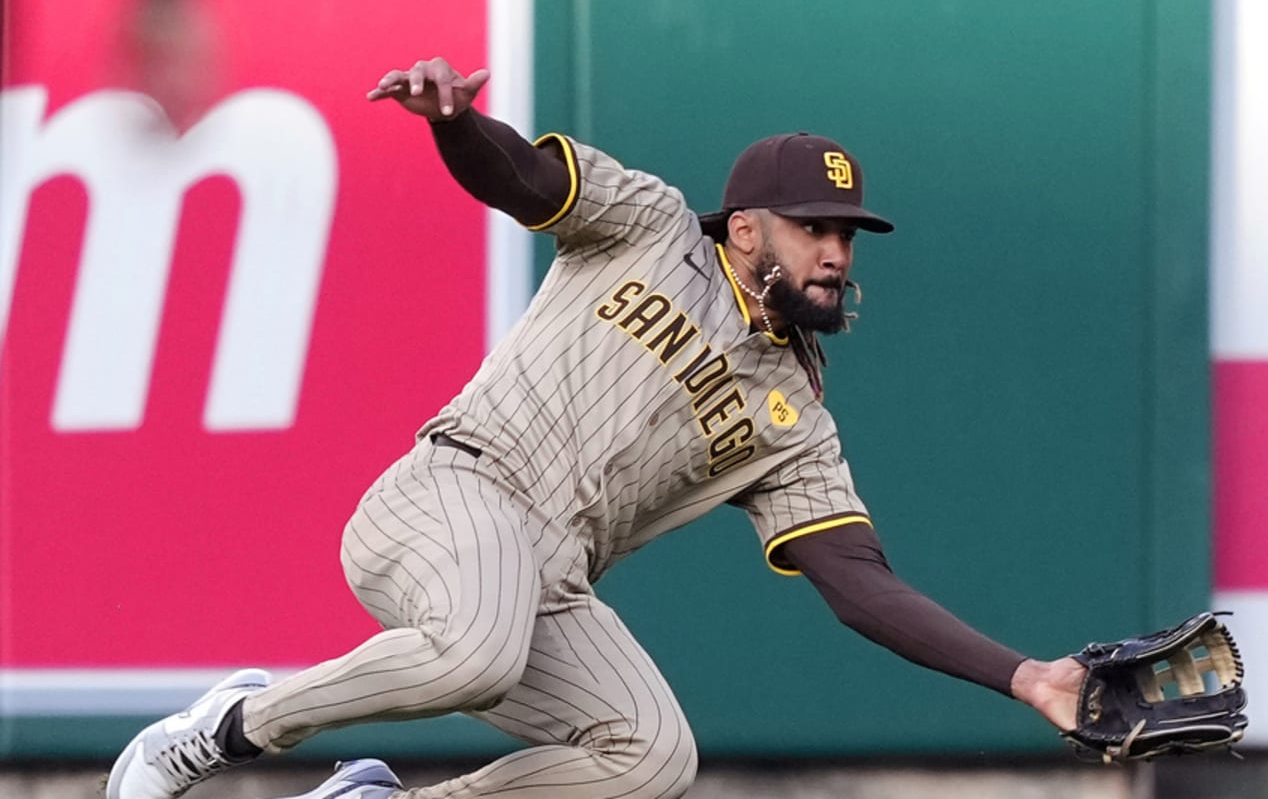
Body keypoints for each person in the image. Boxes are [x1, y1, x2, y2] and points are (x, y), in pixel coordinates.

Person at [106, 57, 1087, 799]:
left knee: (653, 756)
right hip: (449, 492)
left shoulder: (794, 418)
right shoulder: (657, 227)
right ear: (746, 227)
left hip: (547, 584)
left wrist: (1025, 676)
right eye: (813, 227)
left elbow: (863, 589)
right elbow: (529, 182)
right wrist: (457, 126)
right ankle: (225, 728)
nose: (835, 251)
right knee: (476, 652)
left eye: (845, 234)